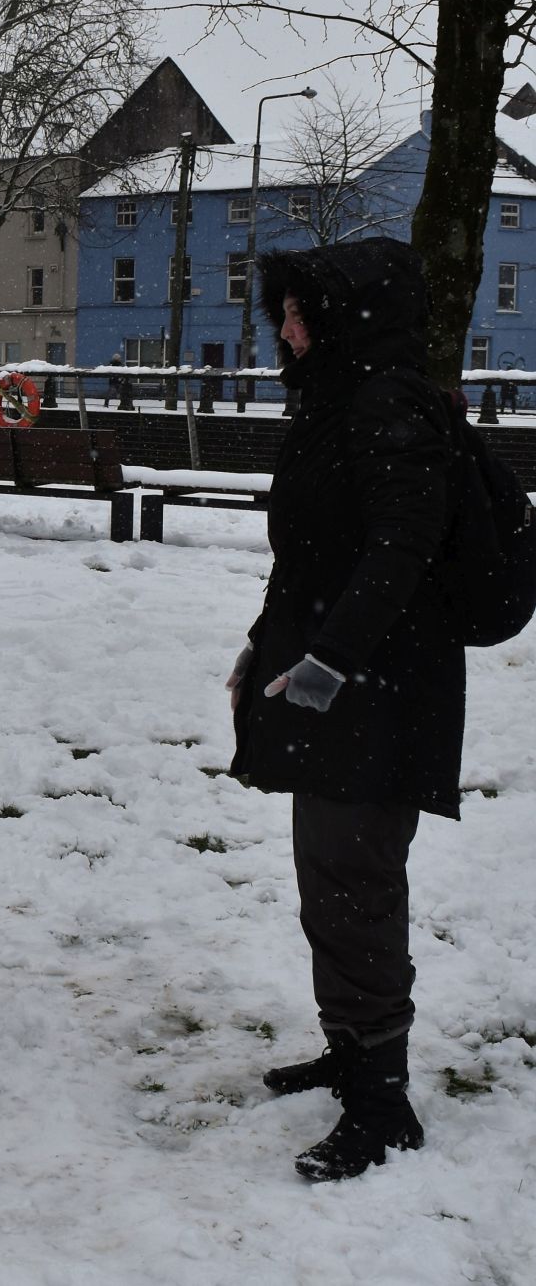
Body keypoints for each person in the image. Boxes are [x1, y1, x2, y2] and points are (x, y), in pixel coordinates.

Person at [227, 236, 462, 1182]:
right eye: (282, 313)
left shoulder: (388, 407)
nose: (288, 330)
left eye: (303, 313)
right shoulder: (335, 405)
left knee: (356, 884)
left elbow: (402, 552)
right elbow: (315, 556)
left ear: (354, 317)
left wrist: (326, 663)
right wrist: (263, 640)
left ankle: (382, 1101)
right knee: (328, 874)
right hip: (337, 683)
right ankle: (349, 1047)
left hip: (382, 695)